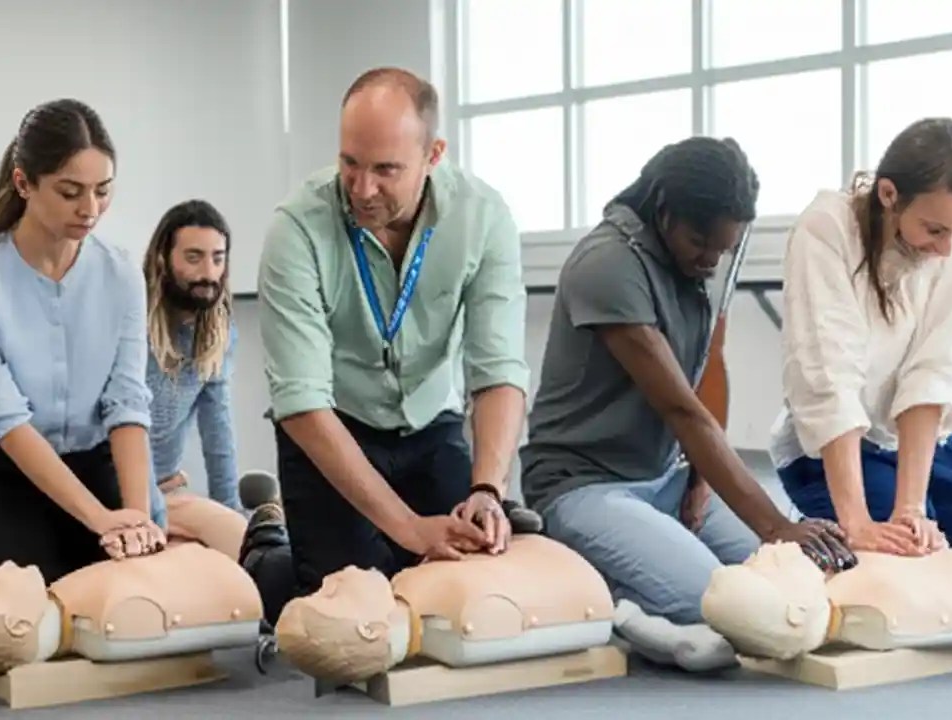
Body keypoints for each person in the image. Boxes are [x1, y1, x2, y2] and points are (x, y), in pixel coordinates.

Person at [519, 137, 857, 669]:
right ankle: (616, 607)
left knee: (793, 583)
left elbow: (704, 372)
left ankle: (635, 589)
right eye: (701, 242)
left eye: (723, 248)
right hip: (583, 487)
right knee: (732, 606)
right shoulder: (607, 264)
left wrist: (701, 477)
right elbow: (680, 408)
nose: (711, 259)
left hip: (665, 479)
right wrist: (776, 526)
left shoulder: (700, 259)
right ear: (664, 211)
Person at [239, 67, 531, 625]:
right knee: (349, 610)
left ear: (433, 154)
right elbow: (301, 402)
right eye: (350, 163)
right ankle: (267, 549)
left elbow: (497, 370)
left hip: (430, 423)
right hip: (334, 428)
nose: (362, 189)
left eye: (385, 170)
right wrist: (406, 525)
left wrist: (488, 489)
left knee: (456, 591)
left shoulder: (484, 217)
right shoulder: (297, 228)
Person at [0, 98, 166, 587]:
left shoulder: (121, 271)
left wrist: (136, 519)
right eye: (70, 192)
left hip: (92, 463)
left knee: (137, 588)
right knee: (46, 592)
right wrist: (98, 520)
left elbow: (126, 403)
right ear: (24, 184)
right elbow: (6, 420)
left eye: (103, 191)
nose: (91, 209)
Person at [774, 117, 952, 559]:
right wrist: (856, 524)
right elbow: (828, 376)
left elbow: (936, 370)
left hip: (919, 440)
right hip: (827, 449)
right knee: (906, 553)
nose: (947, 248)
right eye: (934, 230)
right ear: (889, 195)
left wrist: (909, 507)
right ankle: (822, 535)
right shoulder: (827, 228)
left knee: (919, 526)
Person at [142, 199, 241, 512]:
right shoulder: (129, 324)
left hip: (167, 489)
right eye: (193, 258)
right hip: (113, 494)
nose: (208, 273)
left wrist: (232, 511)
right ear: (162, 259)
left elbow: (218, 433)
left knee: (245, 541)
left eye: (217, 258)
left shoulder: (220, 335)